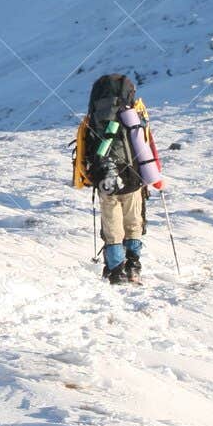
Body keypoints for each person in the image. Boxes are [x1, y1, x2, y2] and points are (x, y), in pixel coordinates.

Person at [71, 73, 158, 285]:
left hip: (105, 182)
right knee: (134, 224)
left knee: (112, 229)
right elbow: (147, 145)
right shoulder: (134, 117)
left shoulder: (94, 119)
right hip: (134, 179)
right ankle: (133, 266)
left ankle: (115, 269)